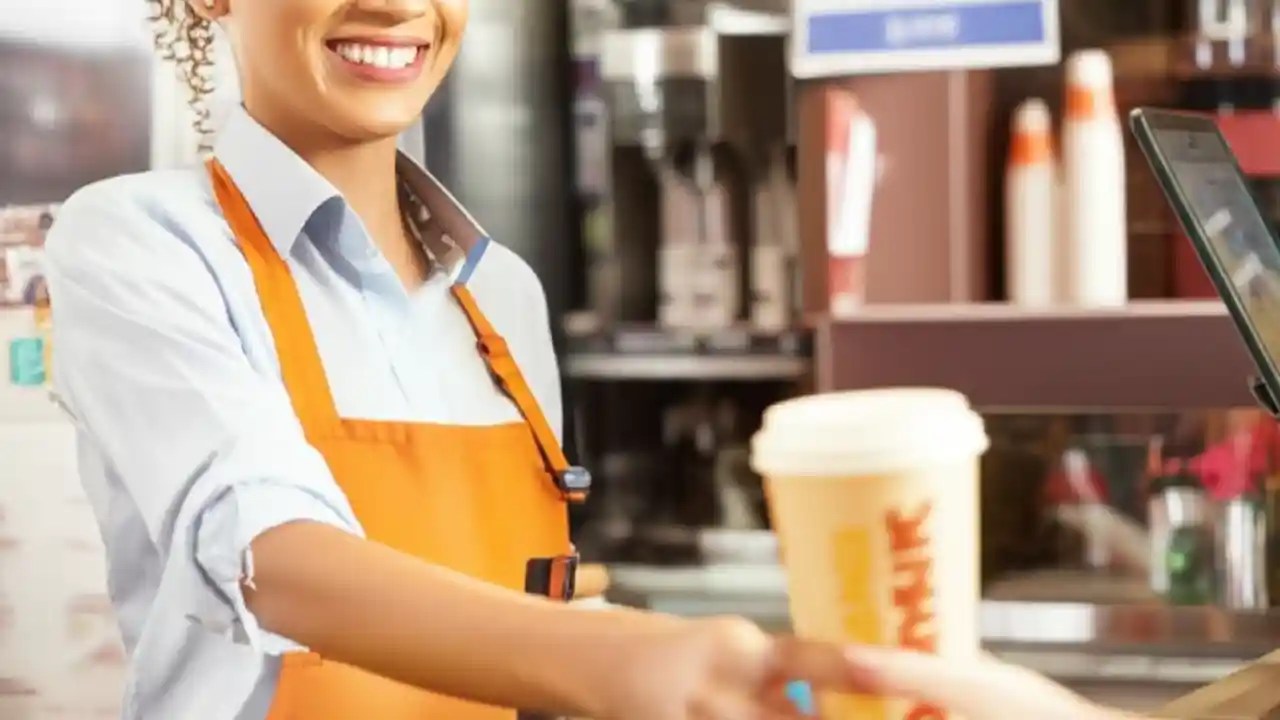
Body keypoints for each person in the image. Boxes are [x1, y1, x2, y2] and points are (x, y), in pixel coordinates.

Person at [44, 1, 1157, 719]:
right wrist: (616, 660)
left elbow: (513, 623)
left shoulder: (503, 295)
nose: (392, 6)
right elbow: (267, 555)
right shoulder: (139, 237)